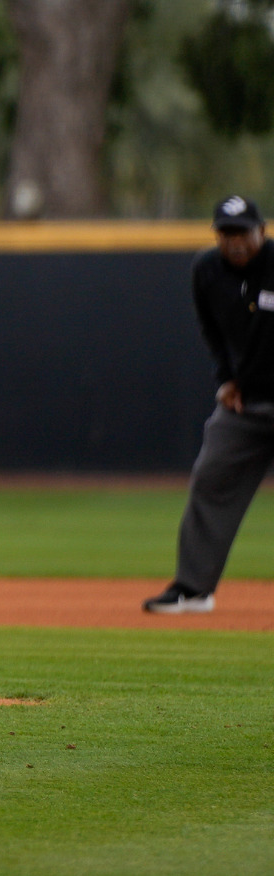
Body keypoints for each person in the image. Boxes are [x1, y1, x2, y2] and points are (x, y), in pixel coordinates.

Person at [146, 195, 274, 614]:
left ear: (262, 230)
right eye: (226, 233)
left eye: (242, 232)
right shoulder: (207, 270)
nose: (235, 241)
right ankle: (193, 589)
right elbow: (212, 331)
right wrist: (226, 379)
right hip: (247, 404)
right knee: (211, 478)